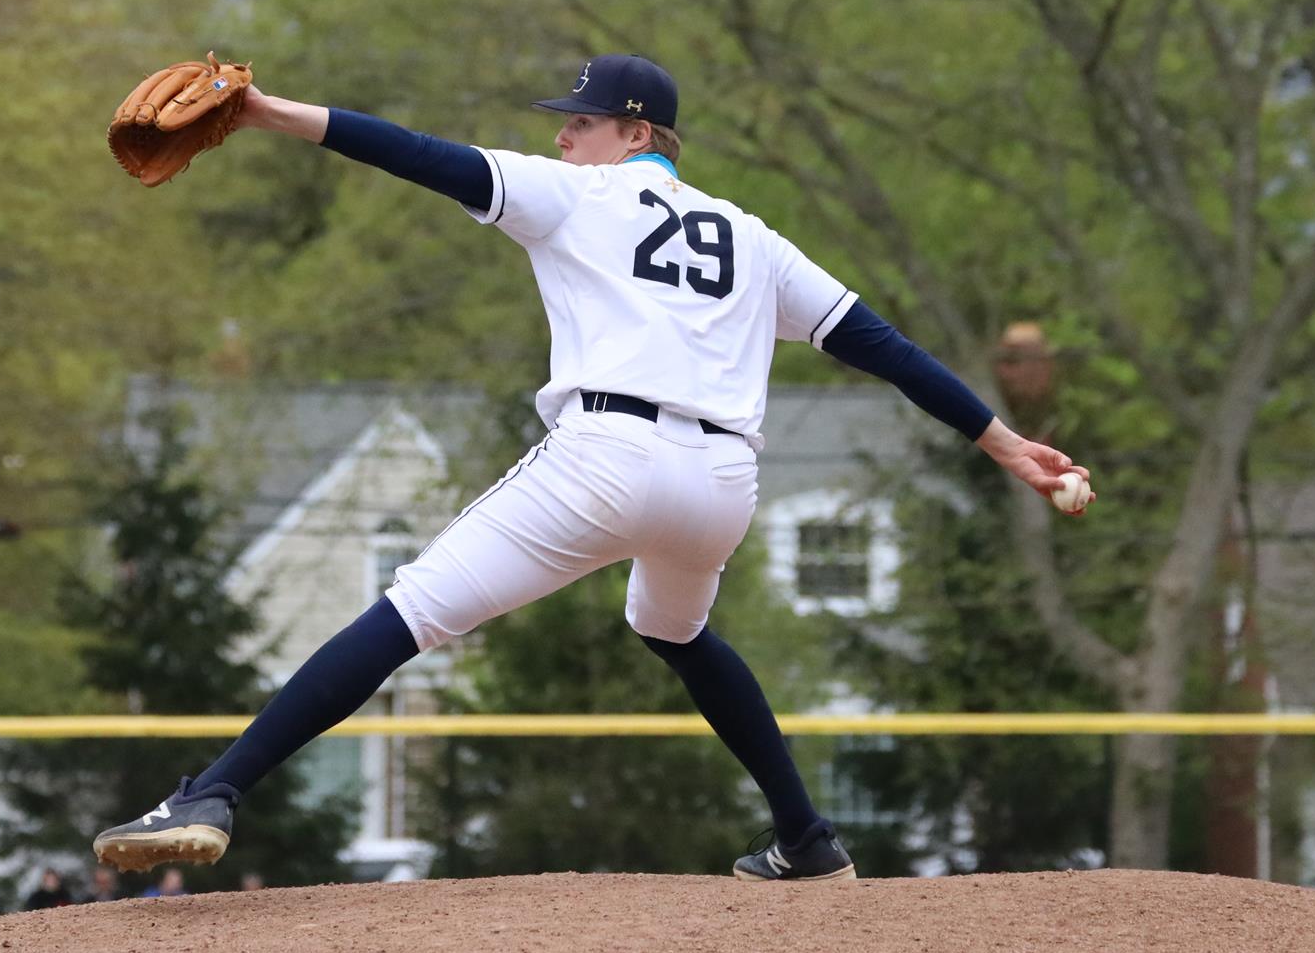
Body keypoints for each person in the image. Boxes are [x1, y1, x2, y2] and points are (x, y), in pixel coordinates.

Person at [91, 54, 1094, 883]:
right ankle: (806, 839)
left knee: (412, 608)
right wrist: (1002, 442)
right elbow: (879, 344)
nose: (564, 135)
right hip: (718, 487)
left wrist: (265, 110)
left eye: (580, 121)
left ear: (635, 131)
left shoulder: (573, 194)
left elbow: (416, 156)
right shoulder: (751, 239)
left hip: (608, 457)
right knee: (672, 622)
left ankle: (212, 789)